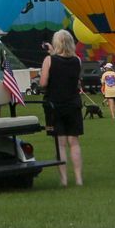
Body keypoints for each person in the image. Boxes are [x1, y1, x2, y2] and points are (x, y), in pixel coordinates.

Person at [40, 31, 84, 186]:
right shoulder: (77, 60)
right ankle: (78, 178)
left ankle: (64, 180)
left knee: (60, 144)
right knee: (74, 142)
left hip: (55, 104)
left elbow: (43, 83)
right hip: (73, 103)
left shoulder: (49, 60)